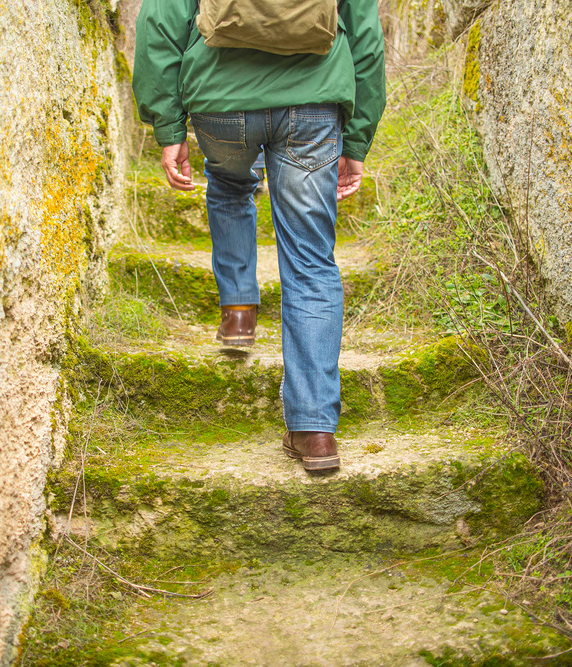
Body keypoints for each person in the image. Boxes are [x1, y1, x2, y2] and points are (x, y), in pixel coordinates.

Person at [133, 0, 386, 471]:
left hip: (220, 102)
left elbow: (160, 24)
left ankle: (239, 314)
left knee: (229, 186)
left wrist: (168, 127)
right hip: (312, 103)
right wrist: (357, 139)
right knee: (311, 260)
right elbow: (366, 37)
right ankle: (314, 430)